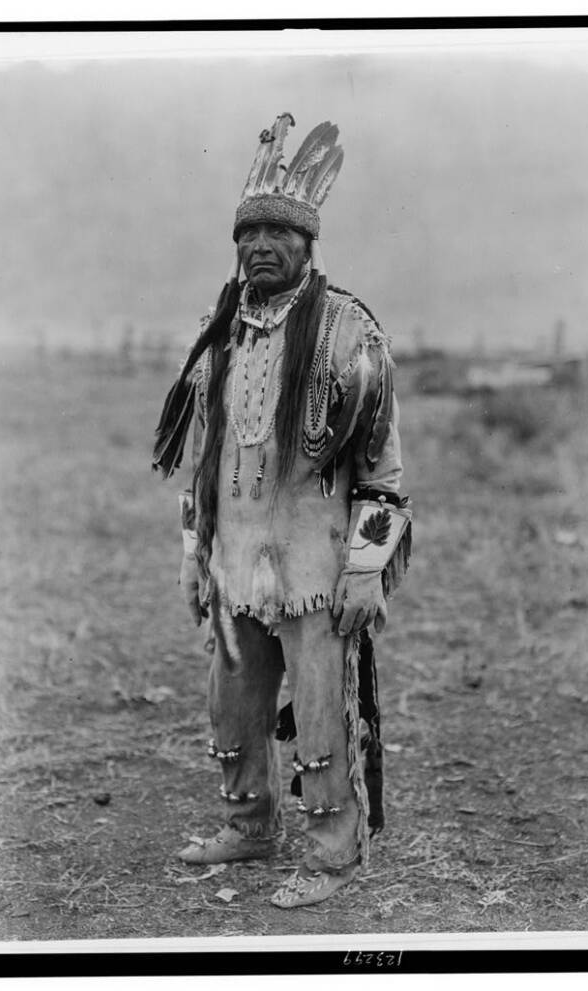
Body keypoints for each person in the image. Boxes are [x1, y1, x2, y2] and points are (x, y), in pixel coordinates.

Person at [153, 113, 411, 908]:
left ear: (307, 243)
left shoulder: (346, 331)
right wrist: (197, 555)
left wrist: (367, 567)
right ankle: (249, 824)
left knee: (324, 709)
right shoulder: (221, 334)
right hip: (234, 564)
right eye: (249, 232)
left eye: (277, 231)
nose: (260, 244)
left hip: (314, 567)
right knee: (232, 704)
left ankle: (333, 854)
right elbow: (201, 463)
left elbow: (384, 471)